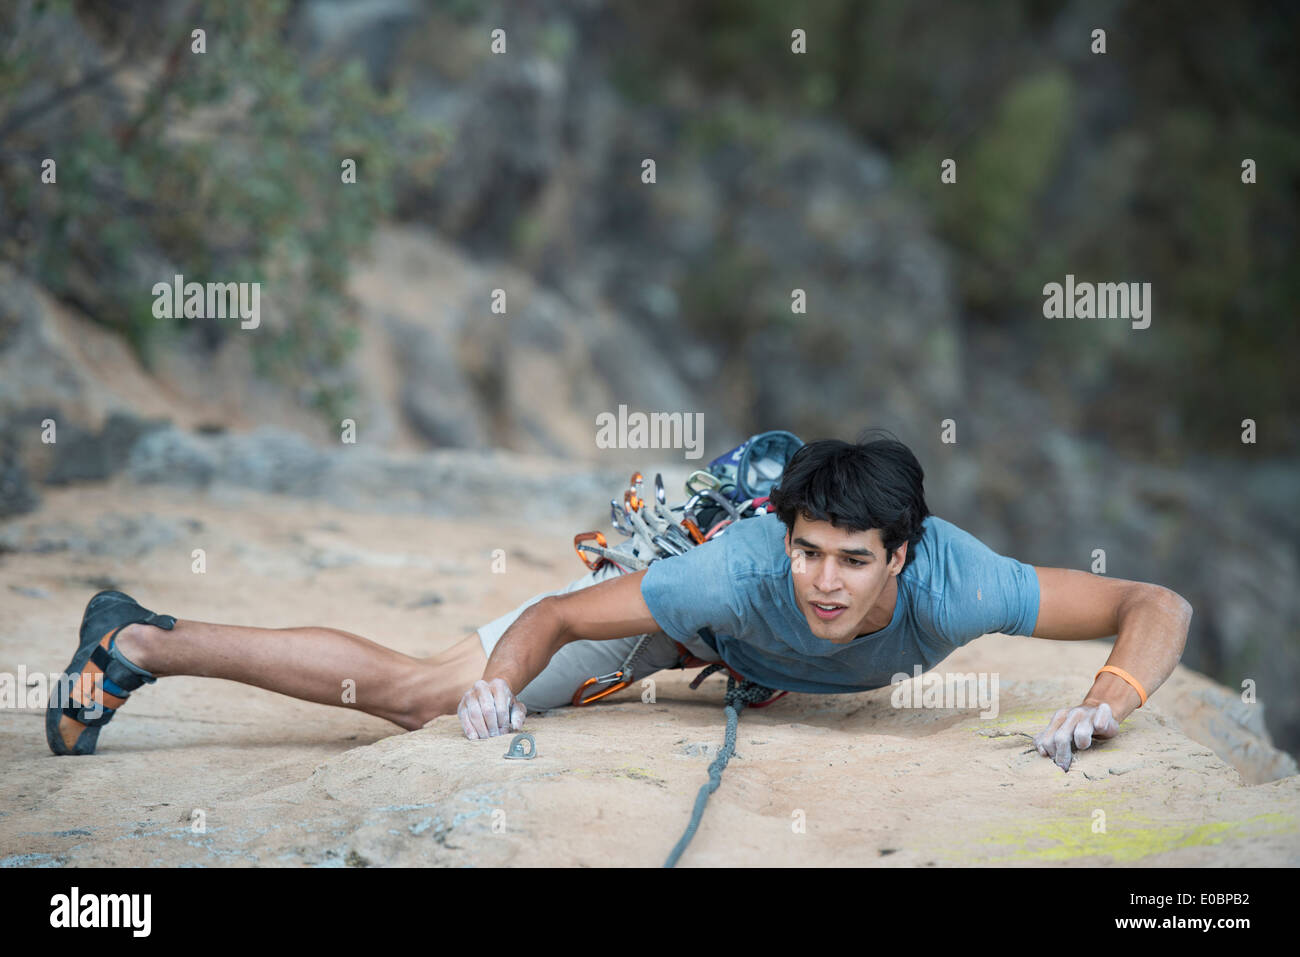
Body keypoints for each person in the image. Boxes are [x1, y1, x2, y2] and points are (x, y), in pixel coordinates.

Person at [48, 432, 1193, 772]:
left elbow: (1155, 601)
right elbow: (552, 621)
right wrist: (497, 690)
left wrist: (1107, 698)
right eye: (809, 552)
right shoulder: (734, 571)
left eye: (853, 559)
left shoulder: (964, 579)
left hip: (738, 657)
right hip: (665, 620)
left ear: (903, 554)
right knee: (413, 695)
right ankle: (141, 638)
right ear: (782, 539)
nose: (825, 581)